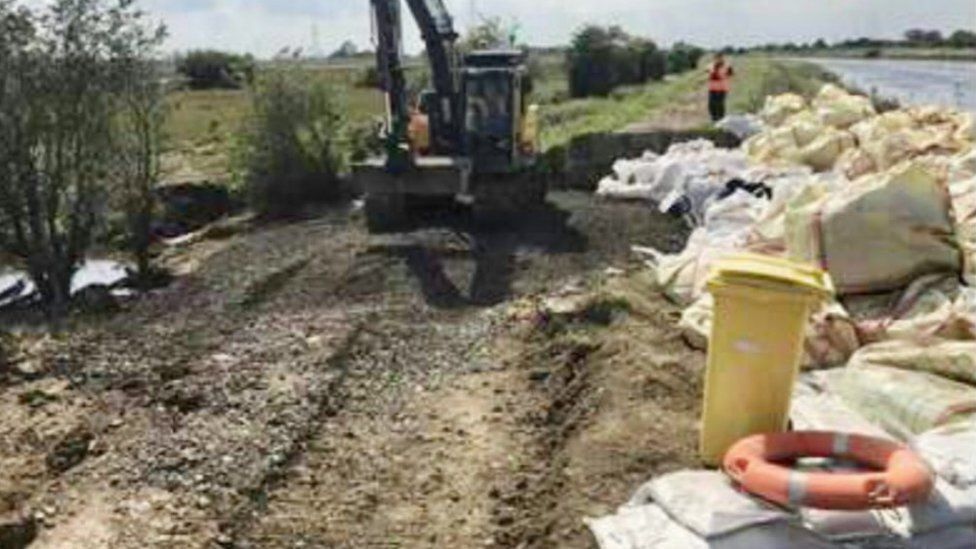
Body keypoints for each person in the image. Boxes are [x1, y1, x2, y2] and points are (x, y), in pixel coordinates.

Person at [707, 53, 734, 122]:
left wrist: (723, 77)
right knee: (711, 104)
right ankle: (714, 119)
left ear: (722, 58)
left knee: (719, 104)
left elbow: (731, 75)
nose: (718, 60)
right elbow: (708, 73)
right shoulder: (710, 65)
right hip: (712, 88)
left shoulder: (727, 67)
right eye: (716, 58)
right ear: (714, 58)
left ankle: (721, 119)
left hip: (722, 88)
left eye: (720, 58)